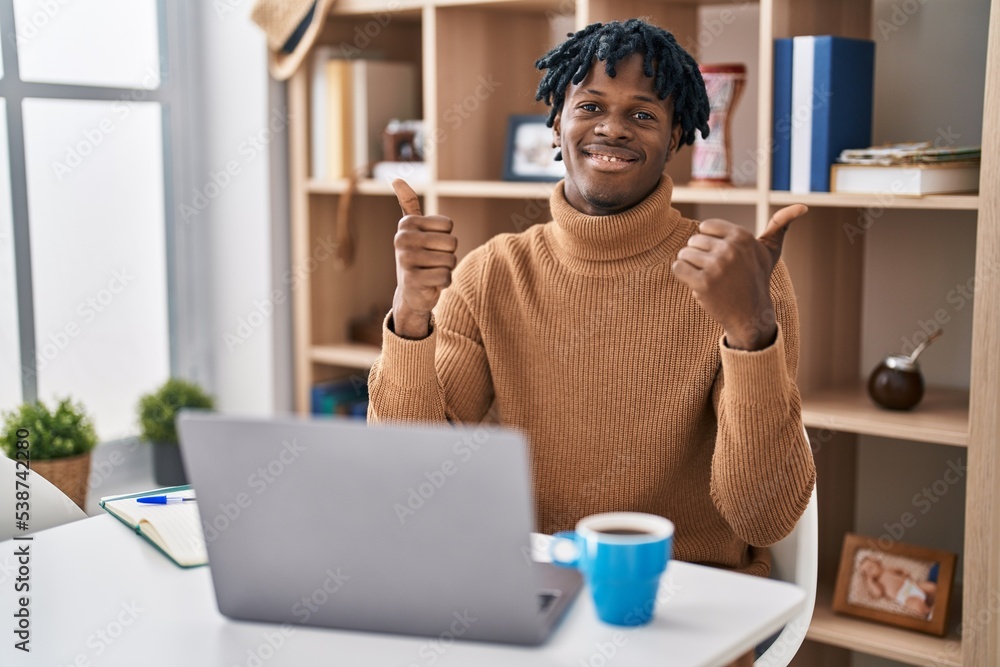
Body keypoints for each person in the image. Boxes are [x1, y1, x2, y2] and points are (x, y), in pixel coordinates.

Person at [369, 20, 816, 661]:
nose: (613, 127)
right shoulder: (494, 272)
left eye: (643, 113)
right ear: (555, 125)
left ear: (676, 140)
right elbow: (408, 477)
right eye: (589, 107)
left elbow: (764, 519)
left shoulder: (736, 277)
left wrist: (751, 332)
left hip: (687, 613)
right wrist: (411, 313)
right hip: (533, 605)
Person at [857, 555, 937, 619]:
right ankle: (929, 612)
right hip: (905, 596)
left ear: (877, 563)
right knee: (917, 606)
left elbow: (899, 570)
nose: (868, 570)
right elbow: (878, 593)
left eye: (870, 567)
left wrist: (905, 573)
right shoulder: (877, 582)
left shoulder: (887, 569)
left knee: (932, 587)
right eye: (865, 572)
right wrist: (869, 581)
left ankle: (934, 601)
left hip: (911, 585)